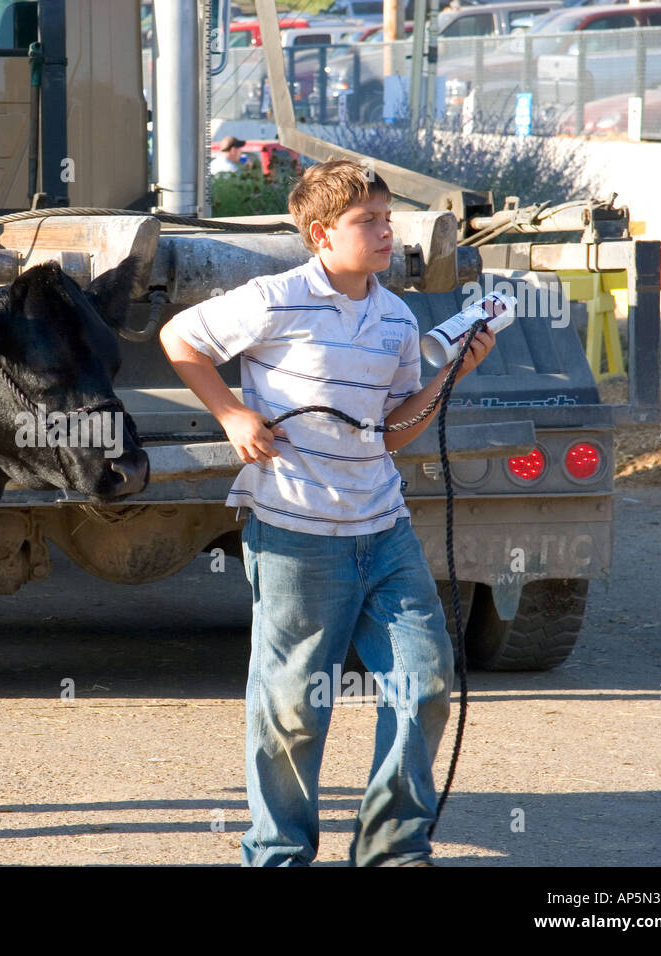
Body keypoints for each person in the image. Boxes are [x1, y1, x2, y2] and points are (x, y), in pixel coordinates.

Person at [159, 160, 496, 867]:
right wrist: (230, 412)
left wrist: (449, 374)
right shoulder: (274, 299)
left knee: (426, 683)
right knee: (292, 712)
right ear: (320, 235)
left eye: (386, 217)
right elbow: (180, 338)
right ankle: (278, 853)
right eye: (366, 221)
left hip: (384, 530)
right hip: (295, 535)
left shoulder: (396, 317)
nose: (384, 231)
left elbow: (393, 431)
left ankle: (392, 849)